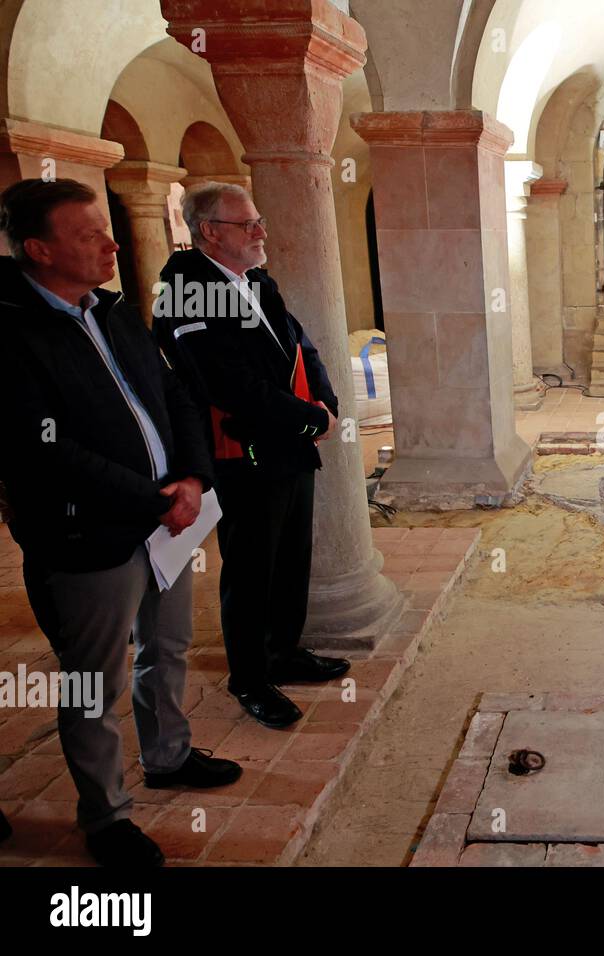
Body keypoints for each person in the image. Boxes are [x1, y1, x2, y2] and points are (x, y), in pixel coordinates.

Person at [0, 179, 241, 867]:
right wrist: (153, 497)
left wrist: (194, 477)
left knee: (167, 647)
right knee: (92, 683)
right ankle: (105, 816)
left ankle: (168, 754)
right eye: (88, 236)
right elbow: (42, 447)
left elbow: (174, 394)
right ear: (40, 249)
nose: (111, 243)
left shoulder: (111, 309)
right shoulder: (13, 333)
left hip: (167, 518)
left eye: (107, 229)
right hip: (90, 536)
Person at [153, 183, 349, 729]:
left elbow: (300, 344)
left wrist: (326, 403)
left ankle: (282, 652)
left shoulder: (255, 280)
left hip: (286, 446)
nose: (262, 231)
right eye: (248, 224)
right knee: (252, 568)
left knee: (290, 559)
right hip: (243, 453)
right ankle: (249, 676)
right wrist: (311, 420)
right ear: (209, 232)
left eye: (259, 220)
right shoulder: (185, 293)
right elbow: (228, 385)